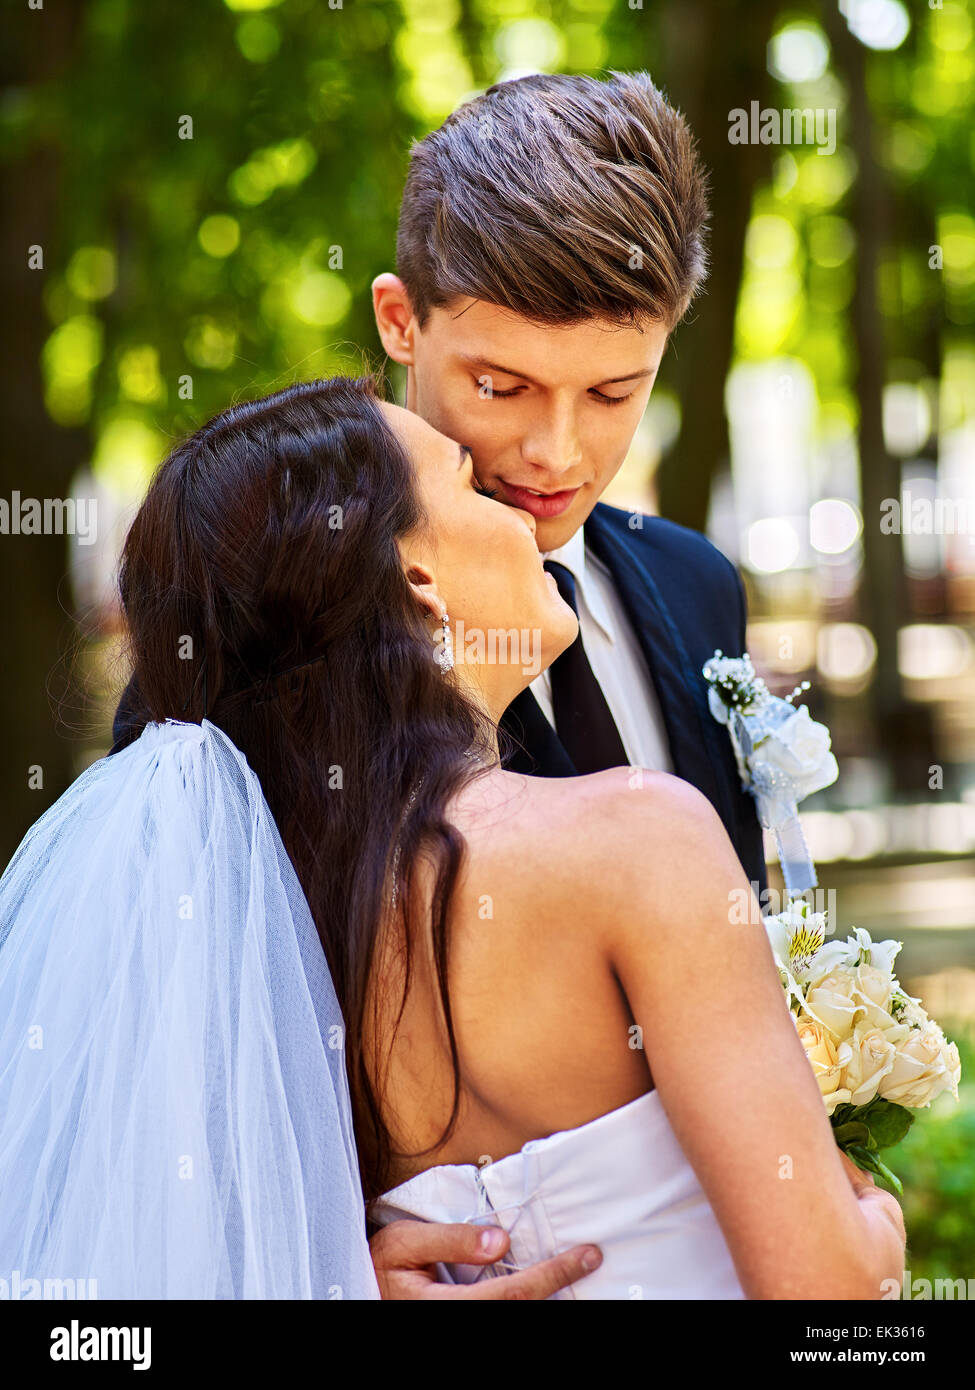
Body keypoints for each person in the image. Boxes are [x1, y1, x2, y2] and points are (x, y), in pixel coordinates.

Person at [91, 375, 903, 1298]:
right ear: (418, 581)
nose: (528, 518)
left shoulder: (252, 930)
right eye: (472, 489)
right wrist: (874, 1228)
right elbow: (826, 1301)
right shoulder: (638, 839)